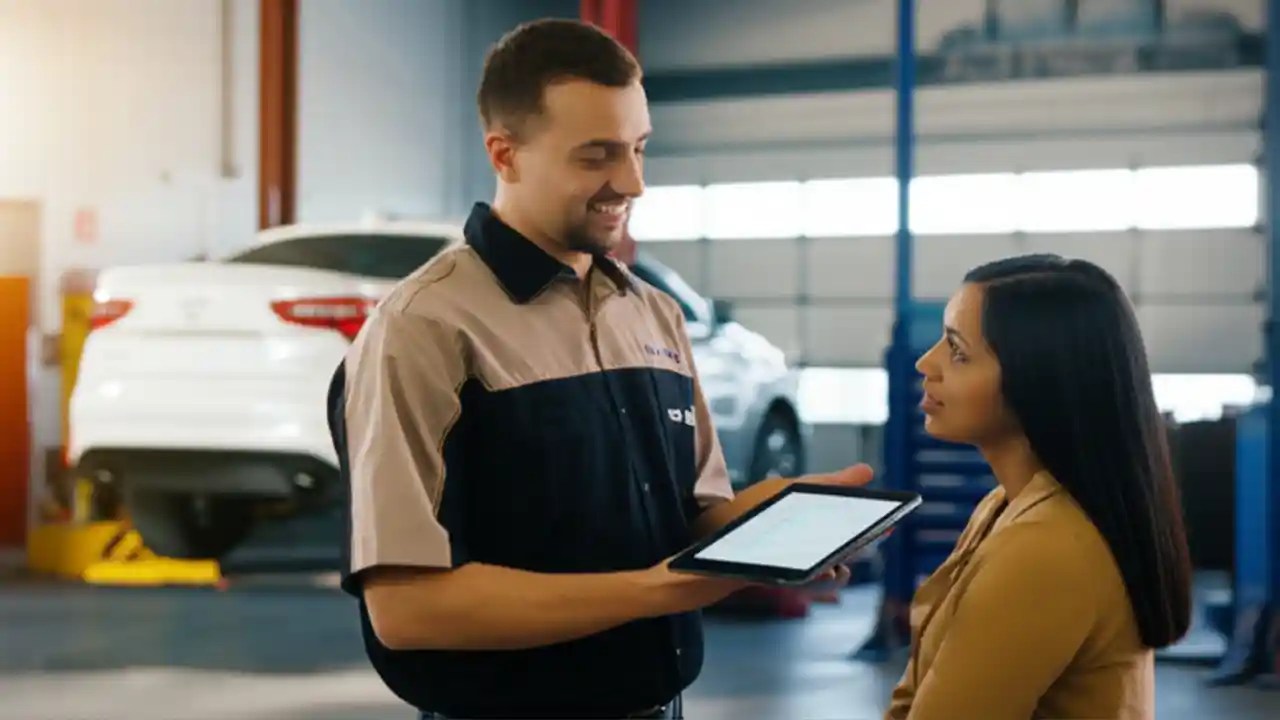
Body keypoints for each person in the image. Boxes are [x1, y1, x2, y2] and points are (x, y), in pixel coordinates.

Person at [326, 18, 872, 720]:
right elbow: (408, 609)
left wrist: (775, 522)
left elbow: (693, 518)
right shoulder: (424, 329)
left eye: (640, 148)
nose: (633, 182)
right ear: (506, 154)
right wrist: (664, 589)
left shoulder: (653, 315)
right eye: (597, 156)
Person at [885, 254, 1193, 720]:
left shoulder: (1044, 547)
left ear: (1036, 379)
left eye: (958, 352)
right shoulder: (1006, 506)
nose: (926, 363)